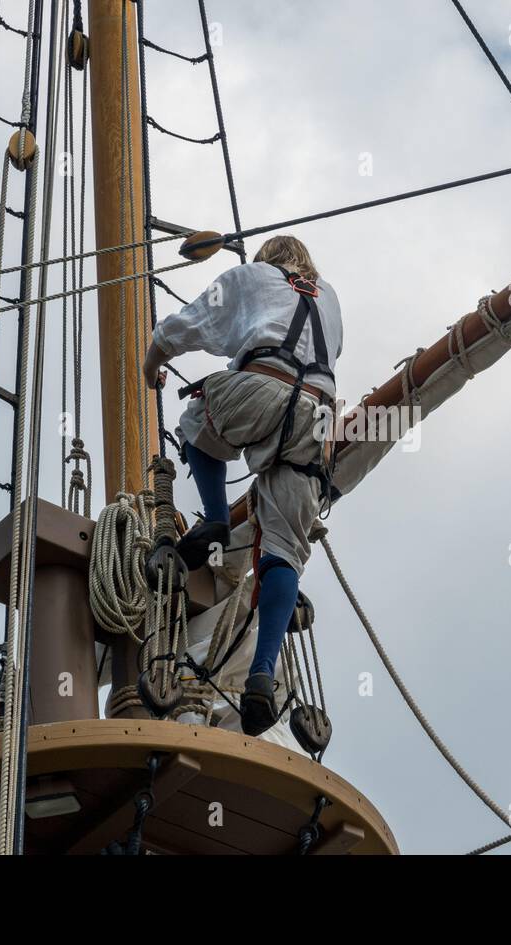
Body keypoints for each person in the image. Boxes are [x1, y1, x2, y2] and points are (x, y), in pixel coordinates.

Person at [143, 235, 342, 737]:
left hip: (260, 389)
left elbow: (191, 325)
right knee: (282, 552)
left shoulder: (254, 277)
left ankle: (212, 520)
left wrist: (154, 361)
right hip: (317, 421)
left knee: (197, 423)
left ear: (267, 258)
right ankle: (260, 676)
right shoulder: (330, 298)